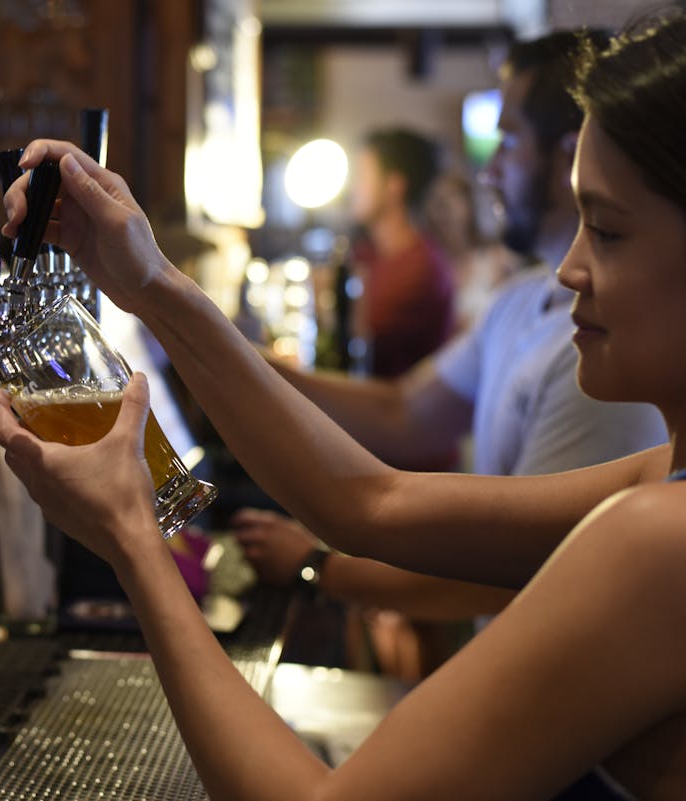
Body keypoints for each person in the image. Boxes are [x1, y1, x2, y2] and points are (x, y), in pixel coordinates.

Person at [0, 7, 686, 798]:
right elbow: (367, 501)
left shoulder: (658, 541)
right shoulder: (656, 484)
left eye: (609, 231)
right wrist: (154, 287)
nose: (568, 269)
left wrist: (132, 538)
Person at [233, 30, 667, 678]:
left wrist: (316, 564)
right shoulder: (522, 299)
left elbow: (516, 573)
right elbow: (404, 410)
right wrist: (244, 363)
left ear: (568, 153)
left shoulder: (604, 362)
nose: (488, 168)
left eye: (510, 138)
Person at [346, 127, 456, 379]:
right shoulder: (368, 252)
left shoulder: (421, 269)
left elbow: (356, 335)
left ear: (394, 185)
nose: (353, 188)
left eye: (362, 175)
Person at [422, 170, 519, 330]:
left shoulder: (497, 260)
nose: (444, 208)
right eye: (437, 200)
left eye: (452, 197)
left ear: (469, 203)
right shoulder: (428, 271)